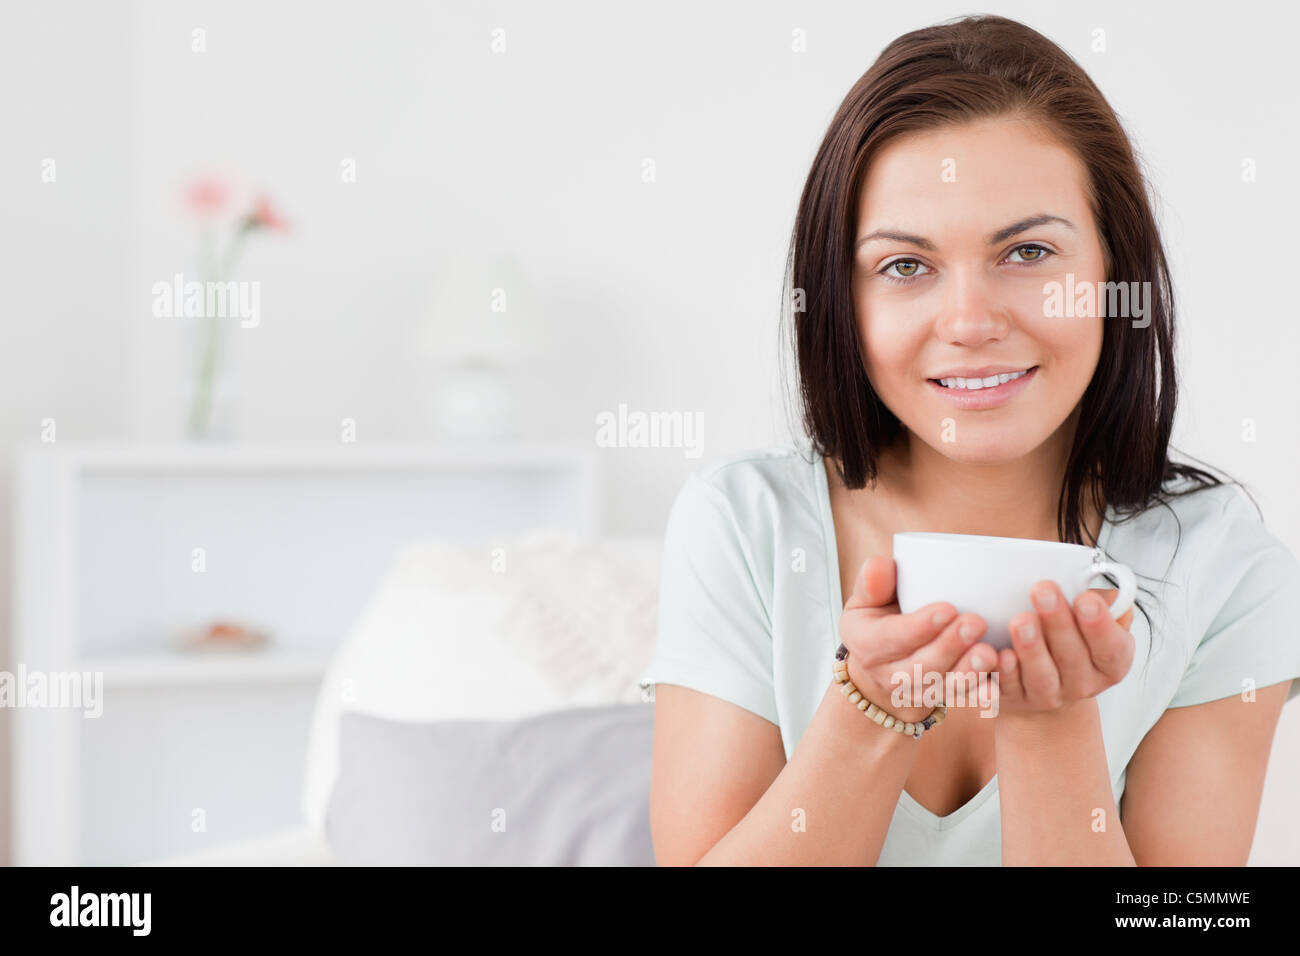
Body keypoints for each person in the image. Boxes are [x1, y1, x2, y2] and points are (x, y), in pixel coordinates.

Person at [639, 14, 1300, 866]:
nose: (969, 322)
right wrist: (871, 707)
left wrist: (1053, 728)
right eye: (905, 267)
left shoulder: (1221, 562)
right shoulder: (742, 523)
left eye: (1027, 252)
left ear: (1113, 272)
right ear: (843, 300)